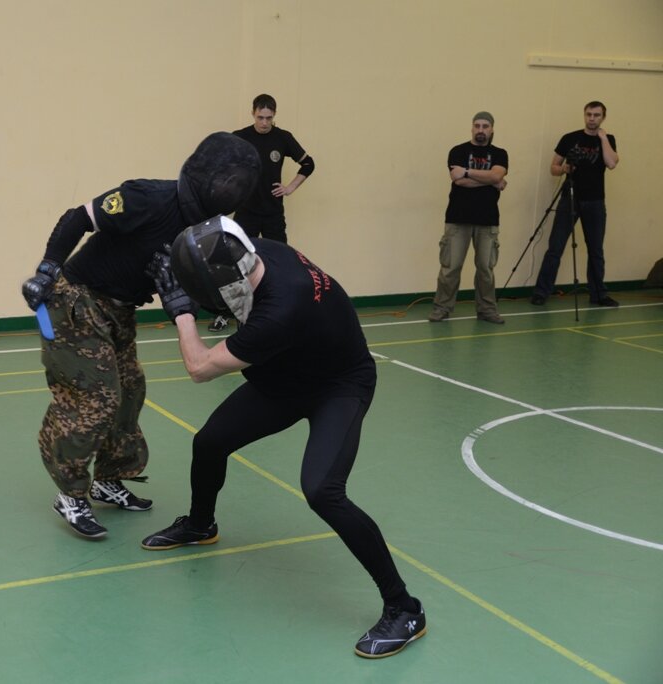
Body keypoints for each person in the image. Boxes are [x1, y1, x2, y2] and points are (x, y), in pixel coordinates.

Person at [143, 216, 426, 659]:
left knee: (322, 490)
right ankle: (201, 524)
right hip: (285, 376)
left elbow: (199, 368)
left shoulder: (282, 308)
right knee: (210, 442)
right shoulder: (257, 250)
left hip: (339, 386)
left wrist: (180, 308)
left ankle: (405, 608)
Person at [21, 132, 260, 539]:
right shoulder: (147, 198)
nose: (229, 189)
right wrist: (47, 271)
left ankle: (107, 479)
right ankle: (70, 491)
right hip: (76, 299)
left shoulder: (209, 230)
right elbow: (78, 217)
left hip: (119, 308)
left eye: (236, 184)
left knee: (131, 390)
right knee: (96, 397)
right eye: (224, 180)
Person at [209, 93, 314, 332]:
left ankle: (286, 310)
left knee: (283, 262)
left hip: (273, 213)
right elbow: (221, 165)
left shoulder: (283, 138)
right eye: (260, 117)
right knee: (235, 263)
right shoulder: (240, 137)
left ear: (274, 115)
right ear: (253, 113)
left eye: (269, 117)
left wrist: (290, 187)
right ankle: (226, 313)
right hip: (246, 212)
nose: (264, 122)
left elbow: (309, 164)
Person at [530, 101, 619, 307]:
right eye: (589, 114)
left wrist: (603, 138)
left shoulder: (609, 139)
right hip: (570, 198)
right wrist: (565, 169)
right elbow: (553, 167)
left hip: (596, 201)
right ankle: (541, 292)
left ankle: (599, 295)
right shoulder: (570, 138)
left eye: (597, 115)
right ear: (584, 115)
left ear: (603, 117)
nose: (592, 118)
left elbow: (612, 163)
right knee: (556, 247)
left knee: (596, 249)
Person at [428, 111, 509, 324]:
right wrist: (491, 180)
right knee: (450, 267)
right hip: (457, 219)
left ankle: (487, 310)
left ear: (492, 129)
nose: (481, 130)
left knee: (485, 268)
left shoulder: (500, 153)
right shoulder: (458, 151)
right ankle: (441, 308)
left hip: (488, 220)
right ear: (472, 128)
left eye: (485, 126)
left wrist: (467, 172)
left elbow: (496, 175)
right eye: (477, 125)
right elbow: (459, 180)